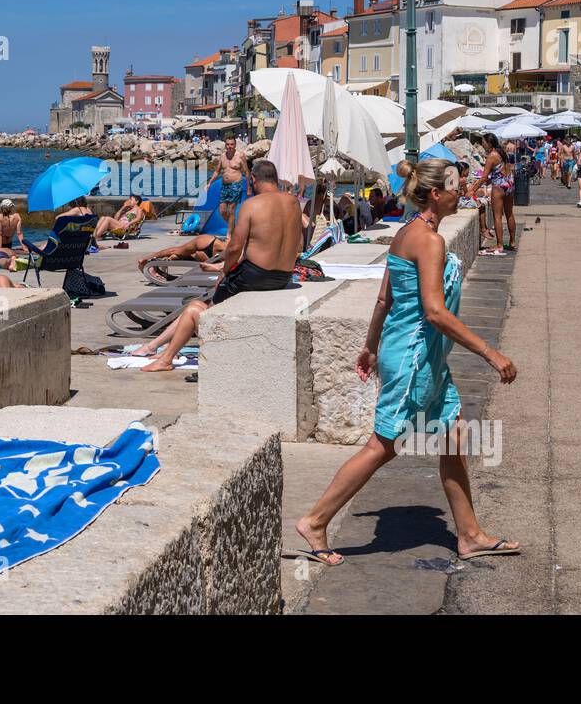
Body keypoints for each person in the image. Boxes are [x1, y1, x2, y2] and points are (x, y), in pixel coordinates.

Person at [295, 158, 519, 565]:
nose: (461, 192)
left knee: (454, 437)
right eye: (455, 186)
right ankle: (316, 520)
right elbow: (434, 311)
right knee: (384, 444)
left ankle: (468, 535)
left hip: (425, 358)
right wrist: (490, 353)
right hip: (415, 357)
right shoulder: (428, 241)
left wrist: (370, 345)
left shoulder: (407, 233)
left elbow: (386, 298)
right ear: (436, 194)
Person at [138, 160, 302, 372]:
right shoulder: (293, 203)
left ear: (253, 179)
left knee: (197, 308)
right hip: (283, 276)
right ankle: (159, 349)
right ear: (276, 179)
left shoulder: (252, 205)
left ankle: (165, 357)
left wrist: (223, 272)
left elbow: (234, 247)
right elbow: (299, 243)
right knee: (200, 305)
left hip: (253, 276)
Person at [473, 133, 513, 255]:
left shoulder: (491, 156)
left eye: (483, 142)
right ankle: (512, 242)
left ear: (489, 143)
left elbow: (484, 177)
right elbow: (501, 171)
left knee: (497, 216)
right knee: (509, 213)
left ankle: (499, 245)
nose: (482, 144)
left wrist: (472, 190)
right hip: (510, 184)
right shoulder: (502, 153)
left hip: (499, 187)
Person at [205, 136, 249, 230]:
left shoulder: (240, 156)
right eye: (228, 144)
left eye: (232, 144)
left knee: (232, 211)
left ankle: (229, 236)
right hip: (224, 186)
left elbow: (246, 172)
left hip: (236, 185)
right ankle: (235, 228)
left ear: (235, 145)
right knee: (222, 211)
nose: (230, 146)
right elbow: (217, 171)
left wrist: (248, 187)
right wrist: (209, 183)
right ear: (225, 145)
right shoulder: (222, 156)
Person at [137, 233, 228, 277]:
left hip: (211, 250)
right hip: (210, 244)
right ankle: (145, 259)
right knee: (176, 251)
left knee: (189, 254)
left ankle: (174, 258)